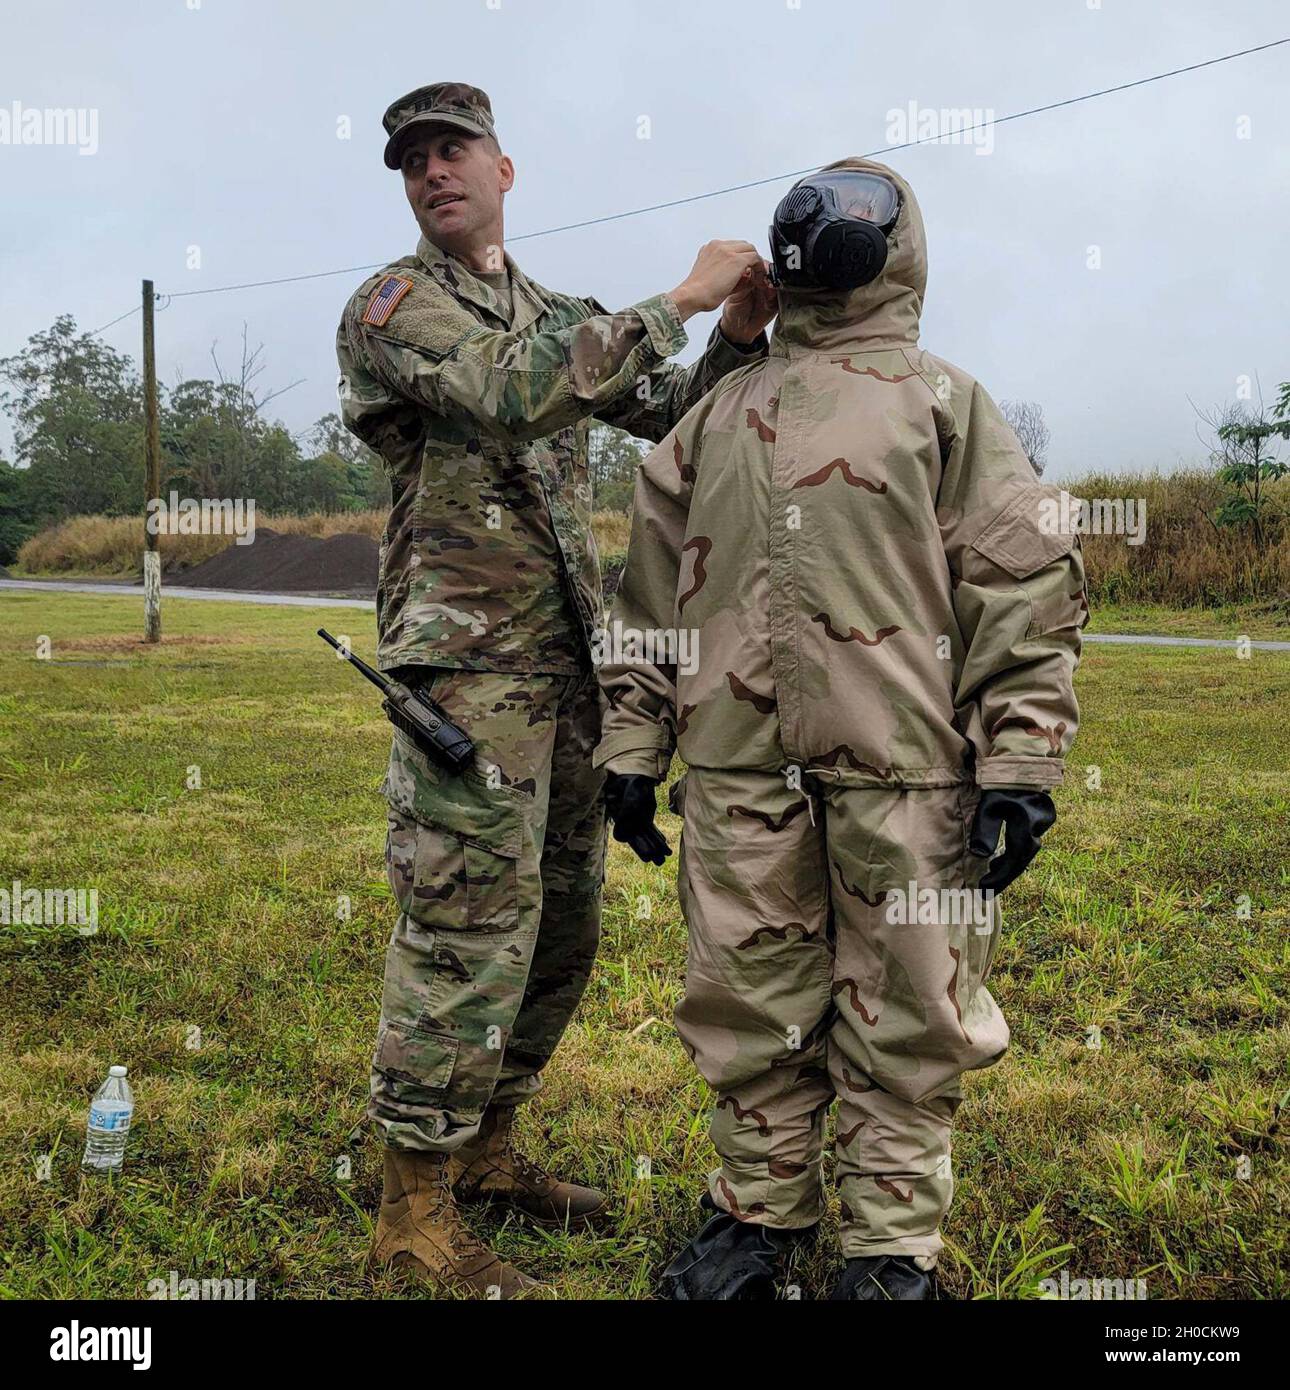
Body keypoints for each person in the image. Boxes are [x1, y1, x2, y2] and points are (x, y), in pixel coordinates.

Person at [595, 157, 1088, 1300]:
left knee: (911, 1009)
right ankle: (754, 1222)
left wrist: (1019, 755)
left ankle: (887, 1251)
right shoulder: (718, 416)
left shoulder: (945, 404)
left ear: (896, 243)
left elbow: (1023, 585)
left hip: (907, 775)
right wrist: (632, 749)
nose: (827, 227)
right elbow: (646, 602)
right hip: (739, 776)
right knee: (747, 1001)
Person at [335, 81, 777, 1298]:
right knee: (465, 925)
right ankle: (411, 1207)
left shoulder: (559, 315)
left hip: (565, 668)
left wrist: (732, 337)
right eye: (412, 160)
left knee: (561, 926)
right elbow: (507, 391)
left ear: (504, 169)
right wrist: (678, 297)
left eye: (452, 150)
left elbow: (672, 419)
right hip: (467, 675)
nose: (432, 172)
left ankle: (487, 1148)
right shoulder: (393, 307)